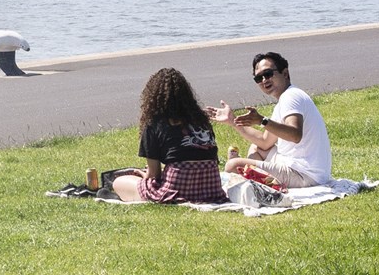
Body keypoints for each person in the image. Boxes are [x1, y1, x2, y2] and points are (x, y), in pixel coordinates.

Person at [211, 51, 333, 188]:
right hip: (300, 167)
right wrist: (232, 120)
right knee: (256, 147)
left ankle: (248, 178)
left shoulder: (291, 97)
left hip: (305, 175)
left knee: (233, 165)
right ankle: (249, 178)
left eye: (268, 74)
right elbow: (265, 142)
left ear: (285, 73)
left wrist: (261, 120)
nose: (264, 80)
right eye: (258, 78)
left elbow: (295, 134)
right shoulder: (286, 98)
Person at [107, 68, 226, 204]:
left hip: (178, 190)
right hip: (211, 189)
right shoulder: (201, 121)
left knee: (118, 182)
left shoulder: (154, 123)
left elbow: (154, 175)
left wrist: (144, 177)